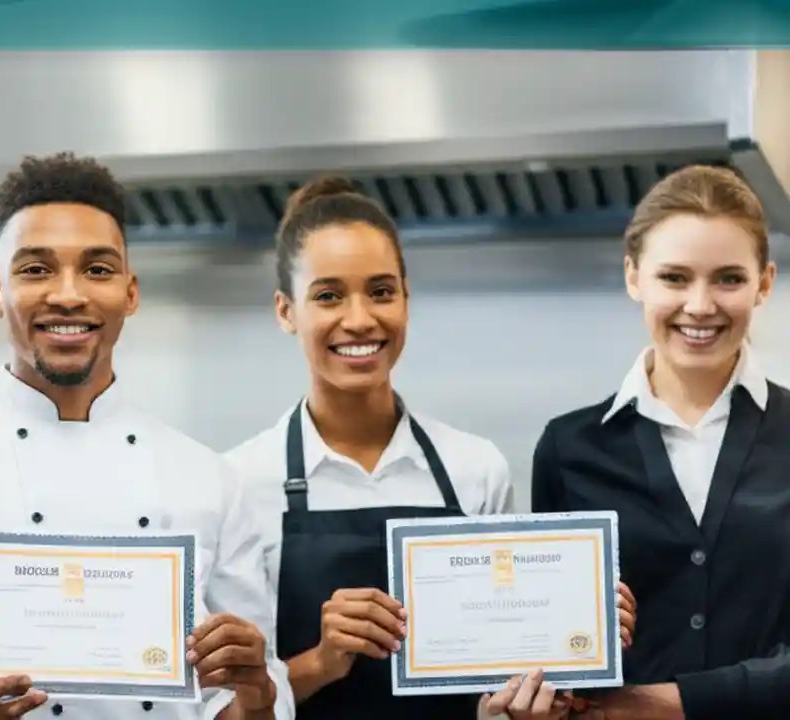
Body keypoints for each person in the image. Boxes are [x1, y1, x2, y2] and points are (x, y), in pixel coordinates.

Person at [0, 151, 294, 720]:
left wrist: (257, 695)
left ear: (130, 293)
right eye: (36, 269)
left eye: (97, 269)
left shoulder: (211, 480)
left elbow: (252, 690)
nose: (68, 295)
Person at [223, 176, 635, 719]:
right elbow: (228, 709)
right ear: (285, 311)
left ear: (406, 299)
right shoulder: (238, 482)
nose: (359, 318)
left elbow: (494, 681)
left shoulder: (475, 468)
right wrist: (322, 661)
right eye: (327, 295)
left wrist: (581, 630)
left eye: (380, 290)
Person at [525, 164, 787, 720]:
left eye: (728, 278)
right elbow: (551, 643)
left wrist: (667, 703)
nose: (700, 305)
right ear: (633, 277)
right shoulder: (568, 450)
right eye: (674, 277)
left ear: (764, 282)